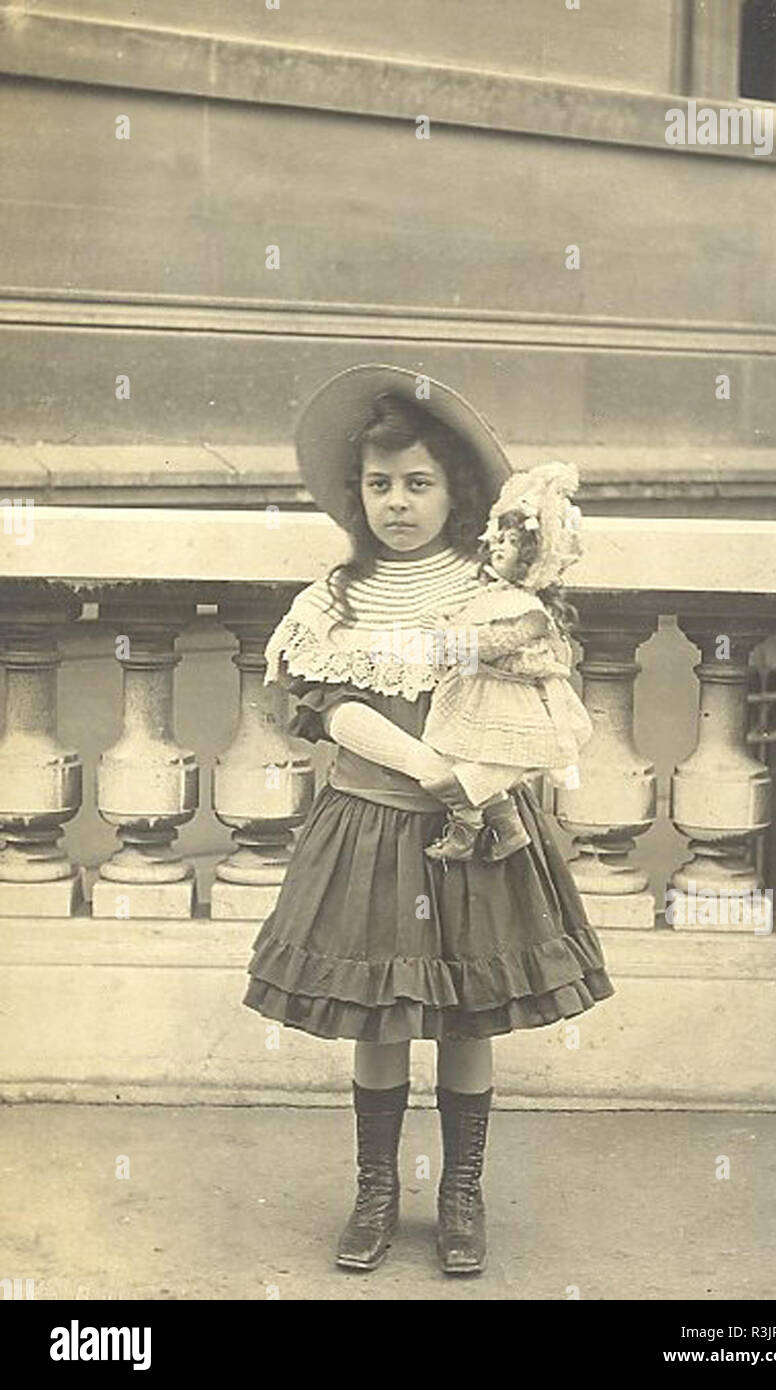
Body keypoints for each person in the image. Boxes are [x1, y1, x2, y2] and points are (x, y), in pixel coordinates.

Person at [243, 364, 614, 1277]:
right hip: (371, 823)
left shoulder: (489, 594)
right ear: (355, 493)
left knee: (467, 1014)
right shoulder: (335, 598)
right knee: (378, 1017)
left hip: (479, 825)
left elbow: (535, 698)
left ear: (456, 493)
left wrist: (470, 778)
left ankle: (461, 1195)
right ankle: (376, 1191)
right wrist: (425, 767)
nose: (398, 504)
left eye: (418, 484)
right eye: (379, 486)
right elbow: (326, 707)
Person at [419, 460, 595, 863]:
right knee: (457, 759)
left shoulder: (528, 611)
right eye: (498, 538)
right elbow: (460, 622)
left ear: (532, 558)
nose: (498, 546)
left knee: (463, 778)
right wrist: (444, 625)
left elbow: (492, 642)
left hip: (510, 702)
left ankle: (467, 831)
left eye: (512, 542)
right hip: (474, 692)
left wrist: (450, 640)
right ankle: (509, 829)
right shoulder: (486, 593)